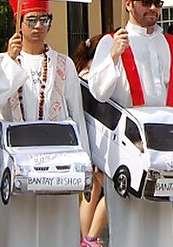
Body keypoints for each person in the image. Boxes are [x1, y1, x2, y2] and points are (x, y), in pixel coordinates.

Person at [87, 0, 173, 246]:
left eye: (157, 3)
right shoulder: (111, 42)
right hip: (129, 148)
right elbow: (98, 93)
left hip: (169, 147)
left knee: (168, 220)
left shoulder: (170, 44)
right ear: (128, 4)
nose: (153, 9)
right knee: (133, 223)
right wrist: (113, 56)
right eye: (146, 2)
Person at [0, 0, 89, 245]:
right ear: (19, 23)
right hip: (19, 164)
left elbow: (76, 114)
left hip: (58, 164)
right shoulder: (1, 62)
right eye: (32, 20)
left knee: (57, 230)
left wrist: (86, 162)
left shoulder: (64, 63)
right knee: (20, 231)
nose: (38, 26)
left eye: (44, 19)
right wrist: (9, 60)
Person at [73, 33, 110, 247]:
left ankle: (86, 238)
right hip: (100, 141)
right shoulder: (94, 80)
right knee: (113, 193)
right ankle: (91, 236)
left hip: (85, 141)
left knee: (91, 192)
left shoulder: (79, 76)